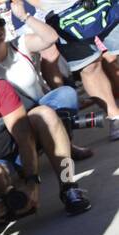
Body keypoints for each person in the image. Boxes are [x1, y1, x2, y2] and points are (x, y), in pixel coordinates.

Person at [0, 73, 91, 217]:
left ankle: (69, 187)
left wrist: (33, 184)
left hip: (19, 149)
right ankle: (3, 203)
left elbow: (24, 138)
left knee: (46, 114)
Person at [0, 1, 95, 159]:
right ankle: (40, 152)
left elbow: (51, 38)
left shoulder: (20, 44)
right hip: (16, 122)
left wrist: (25, 16)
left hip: (44, 107)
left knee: (66, 95)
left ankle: (67, 146)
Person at [29, 0, 119, 139]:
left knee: (115, 56)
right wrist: (51, 6)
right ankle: (115, 117)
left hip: (103, 4)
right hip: (64, 18)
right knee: (89, 67)